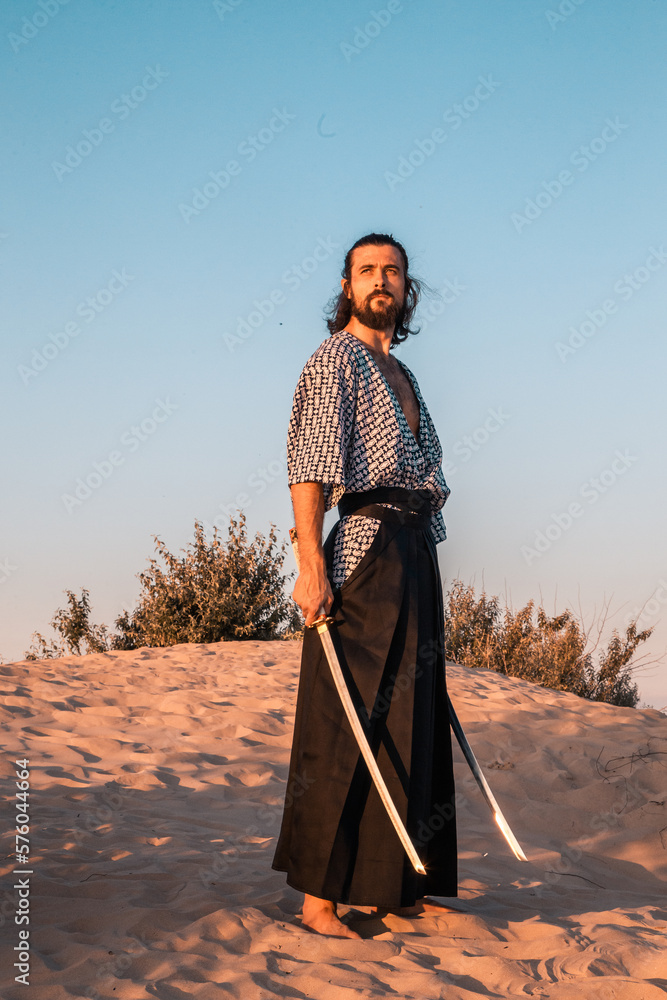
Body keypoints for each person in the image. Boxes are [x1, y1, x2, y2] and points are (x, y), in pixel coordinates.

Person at [272, 233, 457, 938]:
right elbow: (310, 467)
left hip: (414, 552)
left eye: (393, 272)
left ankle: (390, 881)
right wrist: (311, 565)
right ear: (346, 286)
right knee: (344, 718)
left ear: (406, 289)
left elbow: (426, 473)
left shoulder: (404, 374)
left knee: (408, 714)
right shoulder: (334, 361)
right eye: (367, 271)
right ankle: (318, 897)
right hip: (362, 548)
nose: (381, 281)